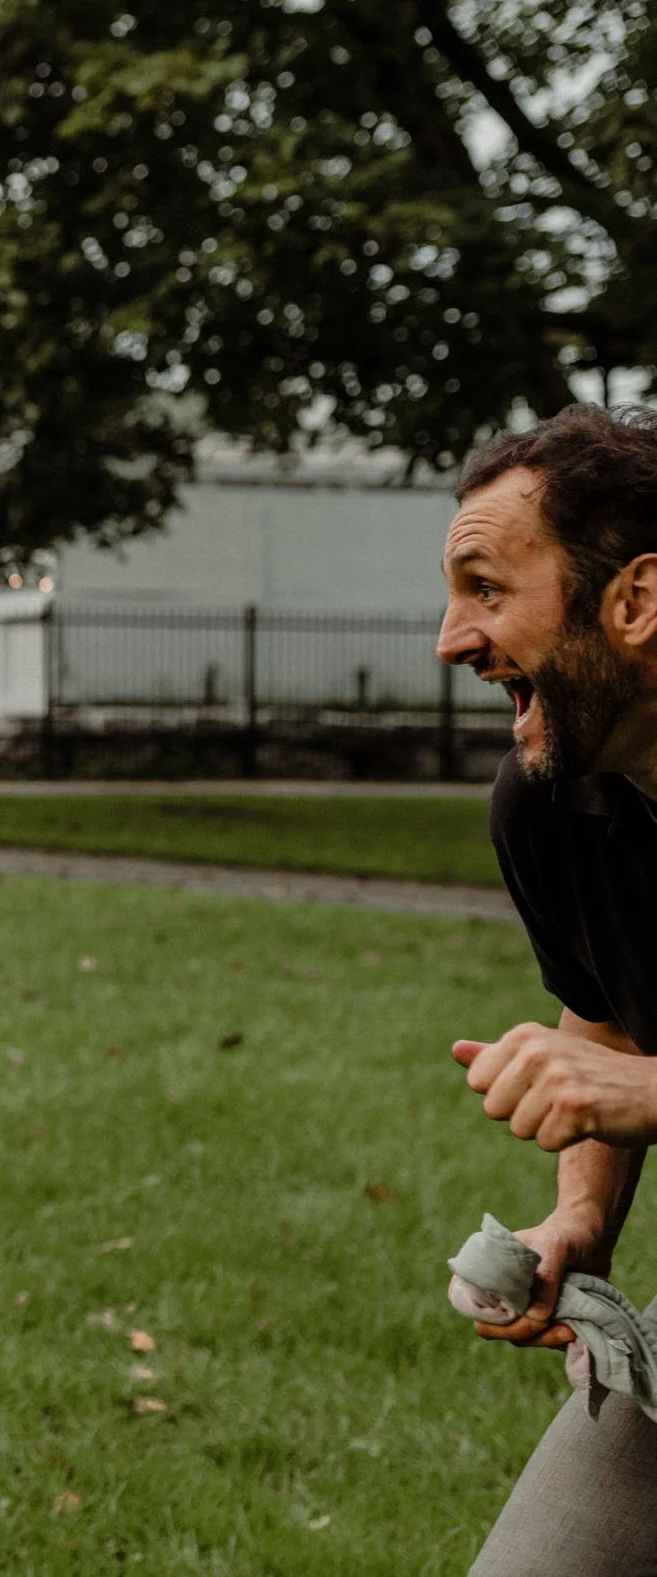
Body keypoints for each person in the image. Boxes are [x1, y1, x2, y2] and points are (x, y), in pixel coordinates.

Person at [438, 403, 657, 1572]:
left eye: (485, 587)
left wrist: (647, 1088)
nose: (449, 637)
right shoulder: (551, 802)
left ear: (633, 600)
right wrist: (582, 1214)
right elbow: (609, 1008)